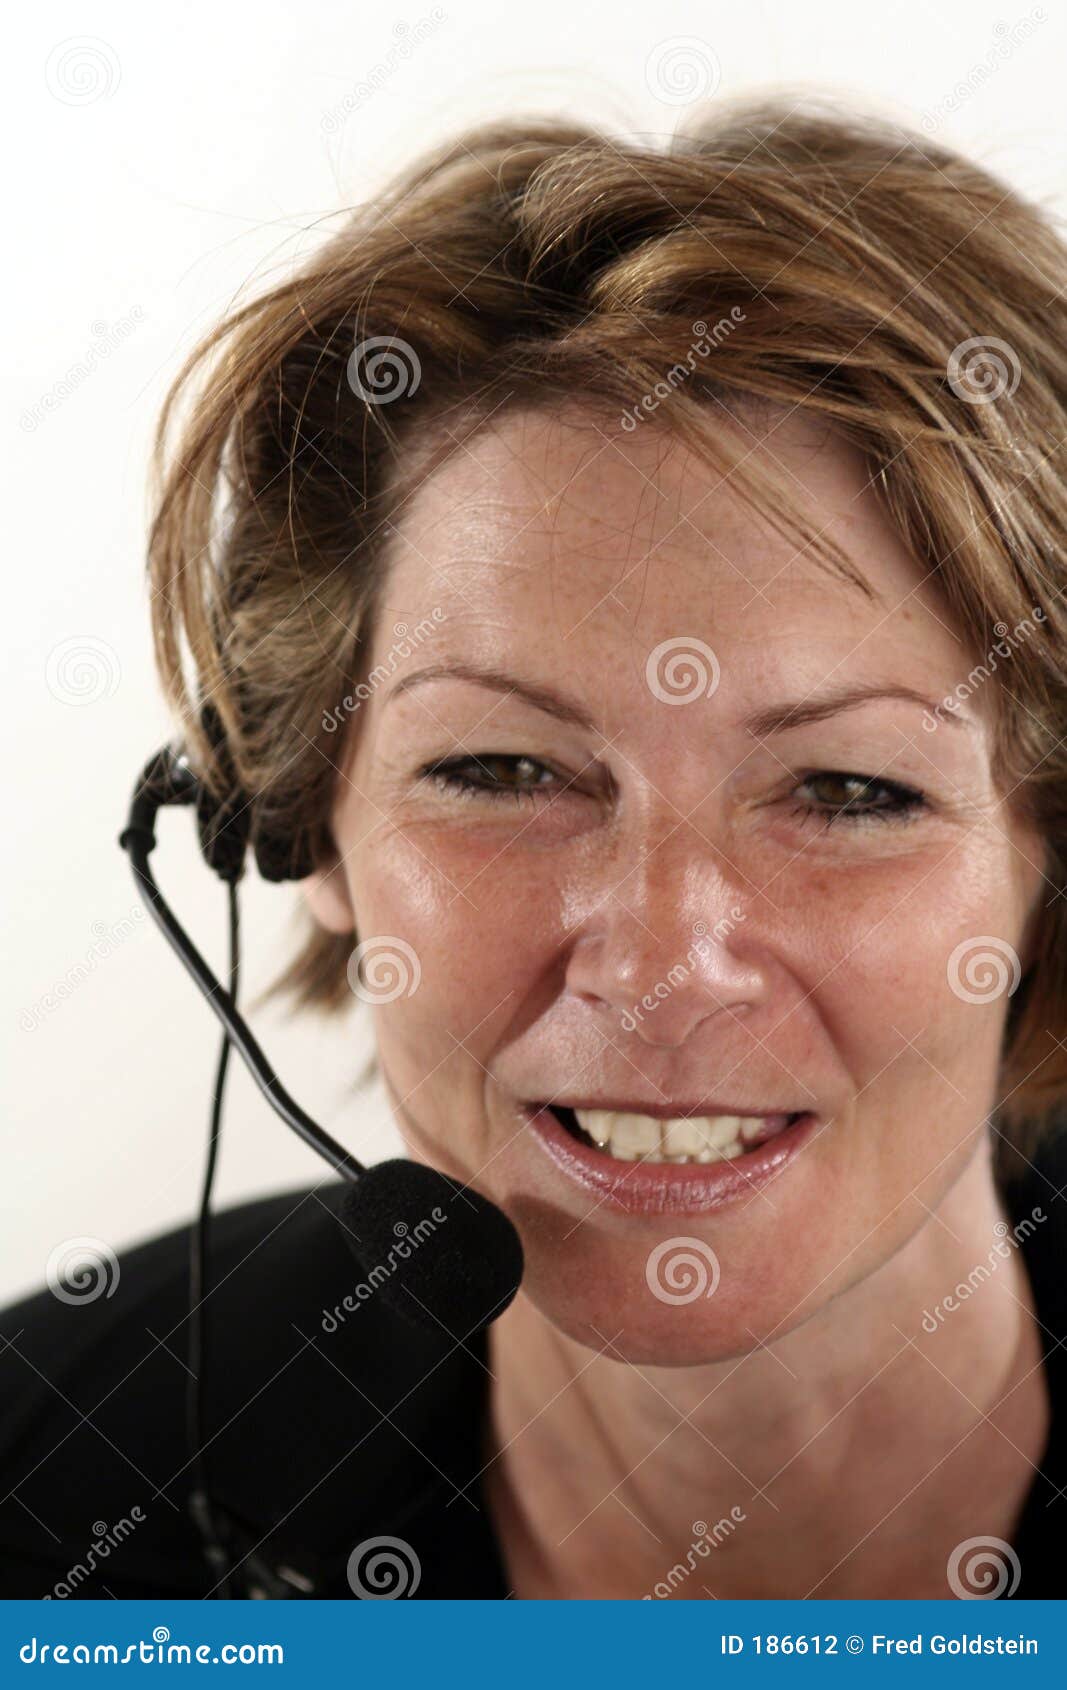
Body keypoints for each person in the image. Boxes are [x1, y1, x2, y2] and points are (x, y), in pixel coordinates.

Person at [3, 92, 1067, 1600]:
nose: (658, 963)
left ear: (1048, 860)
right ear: (299, 818)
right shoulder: (47, 1497)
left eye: (845, 790)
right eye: (502, 769)